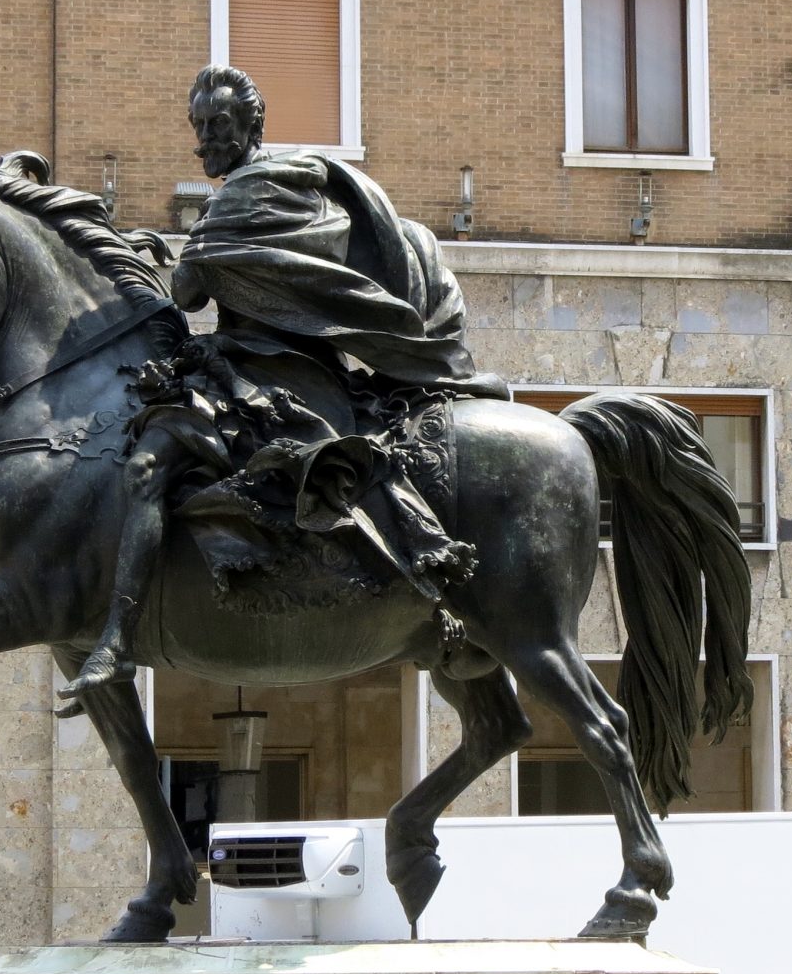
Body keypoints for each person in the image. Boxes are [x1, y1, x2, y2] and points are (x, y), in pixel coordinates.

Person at [57, 65, 507, 702]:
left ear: (251, 126)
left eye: (218, 125)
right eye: (198, 127)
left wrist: (151, 259)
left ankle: (115, 643)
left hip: (272, 380)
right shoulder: (284, 189)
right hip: (252, 369)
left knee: (144, 468)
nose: (205, 140)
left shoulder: (253, 190)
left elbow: (186, 293)